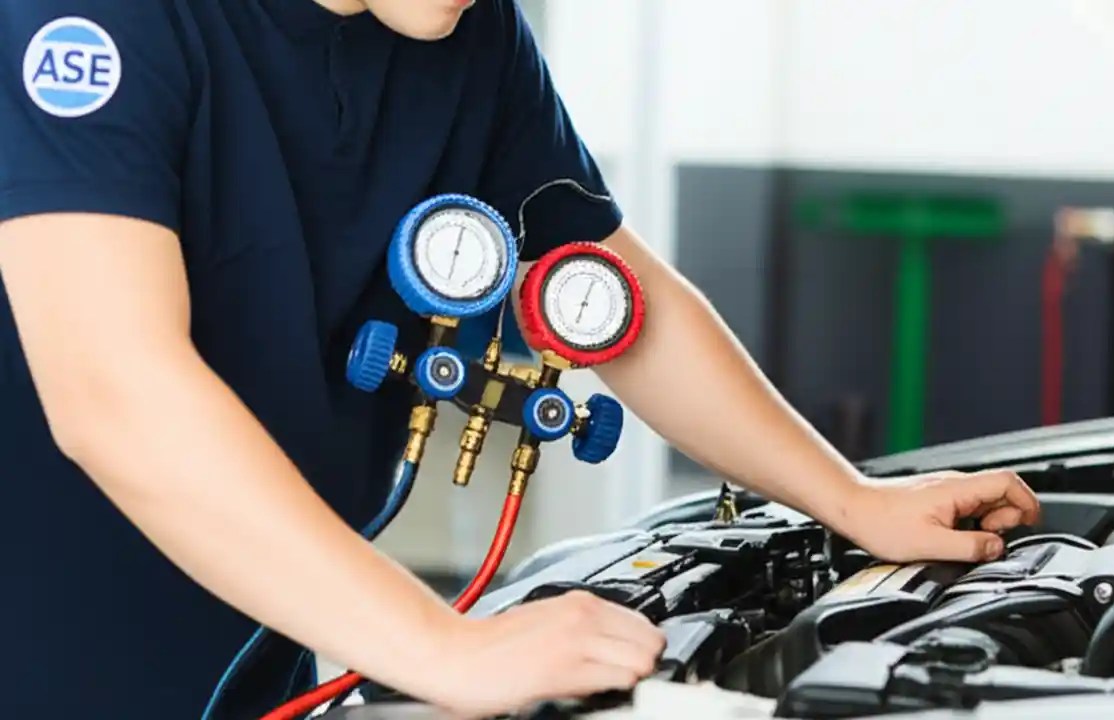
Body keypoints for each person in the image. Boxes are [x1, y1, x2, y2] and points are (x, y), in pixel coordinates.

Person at [0, 1, 1041, 718]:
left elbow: (614, 299)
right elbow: (111, 390)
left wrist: (849, 499)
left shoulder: (469, 38)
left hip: (261, 622)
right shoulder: (94, 19)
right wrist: (436, 647)